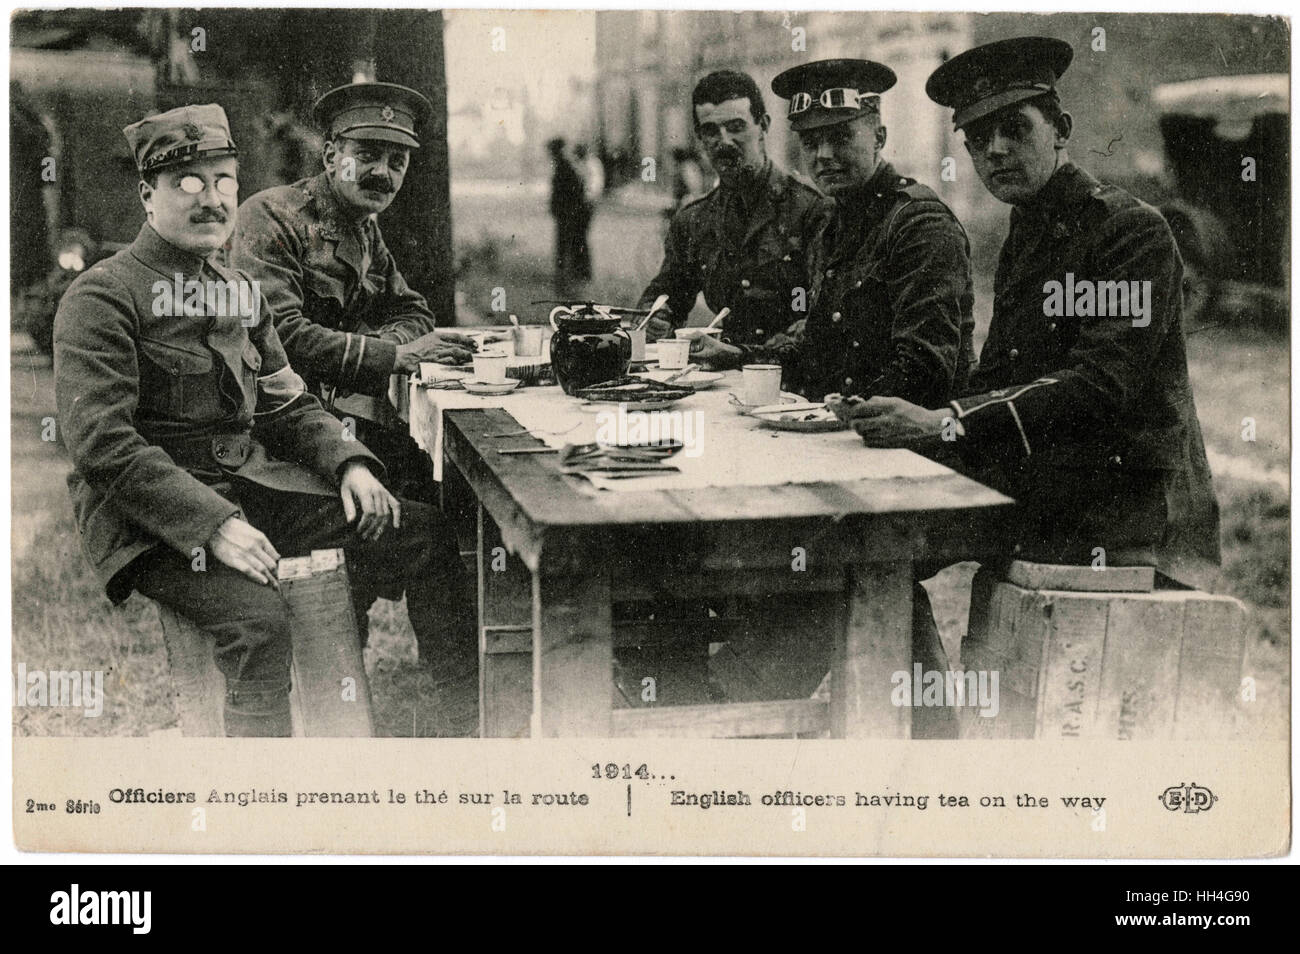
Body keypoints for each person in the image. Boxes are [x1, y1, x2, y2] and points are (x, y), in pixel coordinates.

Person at [54, 104, 478, 736]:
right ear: (148, 195)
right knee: (259, 624)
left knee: (422, 533)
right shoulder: (101, 297)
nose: (212, 201)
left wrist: (349, 463)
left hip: (251, 488)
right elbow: (103, 443)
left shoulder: (238, 292)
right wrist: (215, 527)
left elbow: (286, 400)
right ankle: (262, 802)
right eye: (188, 184)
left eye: (223, 182)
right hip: (152, 519)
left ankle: (463, 722)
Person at [834, 37, 1221, 729]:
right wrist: (895, 431)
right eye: (979, 139)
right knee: (865, 552)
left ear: (1062, 131)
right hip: (1054, 491)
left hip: (1127, 514)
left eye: (1016, 129)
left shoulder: (1129, 231)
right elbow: (1001, 378)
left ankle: (935, 746)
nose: (997, 152)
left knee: (878, 560)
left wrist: (943, 422)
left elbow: (1098, 387)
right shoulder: (1028, 234)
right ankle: (933, 743)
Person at [231, 82, 474, 507]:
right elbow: (281, 336)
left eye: (396, 162)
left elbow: (412, 309)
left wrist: (390, 347)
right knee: (427, 506)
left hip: (329, 419)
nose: (383, 173)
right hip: (267, 436)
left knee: (447, 481)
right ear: (330, 157)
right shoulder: (272, 217)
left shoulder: (361, 225)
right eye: (365, 156)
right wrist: (396, 357)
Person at [693, 59, 975, 413]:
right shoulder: (833, 223)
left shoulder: (918, 224)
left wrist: (838, 410)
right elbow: (819, 347)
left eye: (841, 137)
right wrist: (741, 356)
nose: (824, 155)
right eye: (810, 142)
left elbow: (924, 372)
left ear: (879, 138)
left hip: (914, 444)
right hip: (853, 429)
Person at [636, 70, 832, 350]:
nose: (724, 141)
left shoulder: (811, 210)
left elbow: (821, 321)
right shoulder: (694, 220)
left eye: (736, 126)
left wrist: (747, 356)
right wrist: (657, 316)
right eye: (711, 131)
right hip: (723, 375)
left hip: (792, 375)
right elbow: (667, 292)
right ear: (699, 139)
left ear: (763, 125)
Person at [547, 136, 587, 290]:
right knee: (566, 244)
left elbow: (573, 191)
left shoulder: (564, 166)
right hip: (565, 213)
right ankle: (566, 275)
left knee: (565, 244)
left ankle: (565, 276)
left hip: (567, 213)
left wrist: (566, 209)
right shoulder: (564, 165)